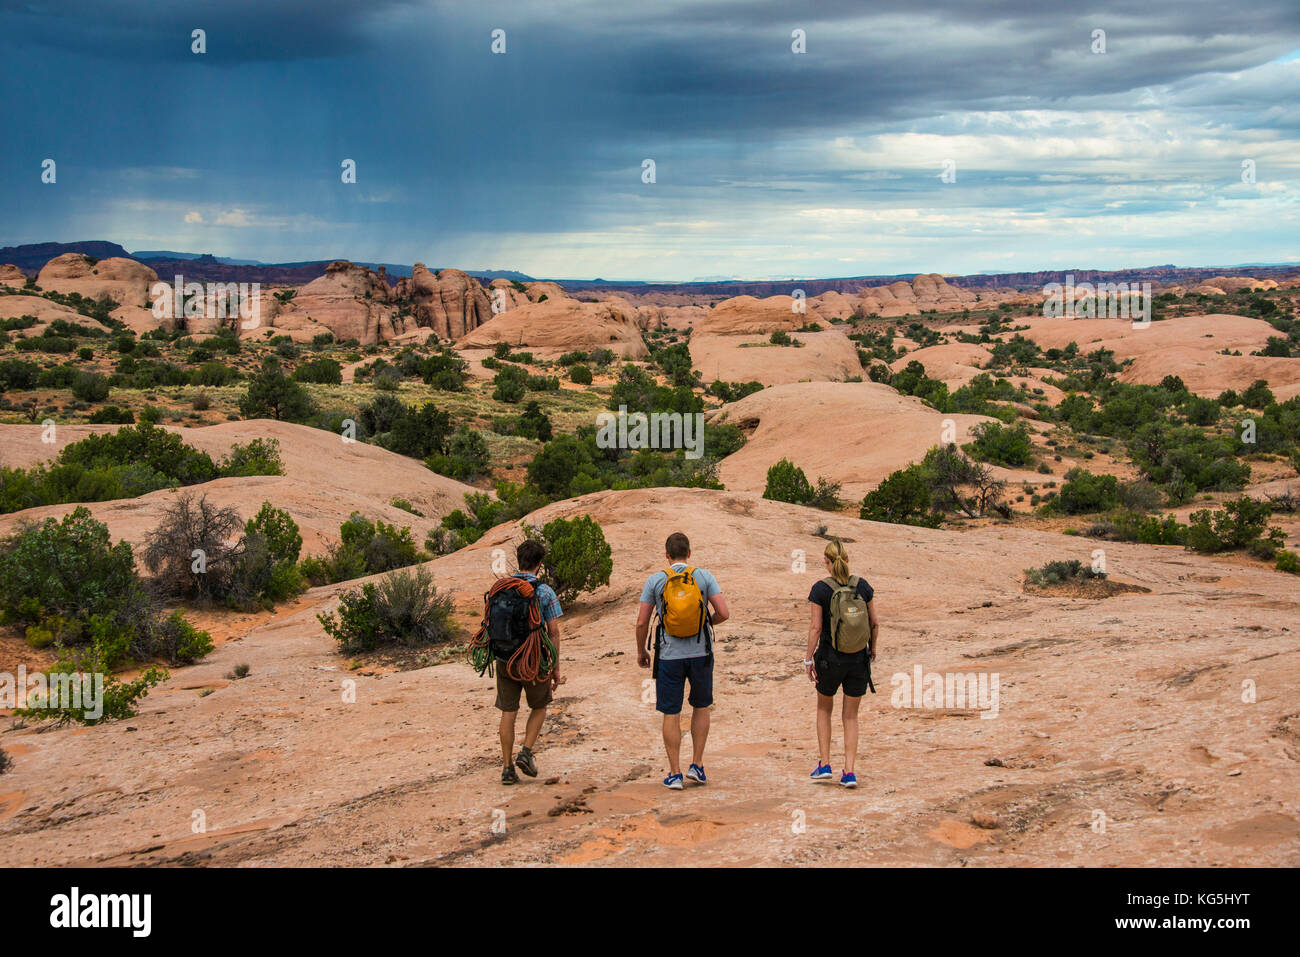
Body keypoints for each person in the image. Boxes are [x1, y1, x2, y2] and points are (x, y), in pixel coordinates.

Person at [636, 532, 729, 790]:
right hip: (700, 653)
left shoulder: (656, 580)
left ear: (666, 555)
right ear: (689, 553)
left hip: (668, 656)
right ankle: (697, 766)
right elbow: (724, 612)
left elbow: (643, 621)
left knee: (671, 712)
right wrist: (707, 622)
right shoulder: (703, 576)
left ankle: (675, 773)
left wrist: (642, 650)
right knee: (701, 707)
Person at [805, 538, 878, 788]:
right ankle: (849, 772)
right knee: (851, 716)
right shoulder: (863, 586)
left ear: (826, 562)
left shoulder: (820, 589)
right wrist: (873, 650)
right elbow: (874, 623)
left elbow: (816, 627)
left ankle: (825, 764)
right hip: (858, 658)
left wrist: (808, 658)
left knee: (824, 709)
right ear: (847, 560)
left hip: (830, 658)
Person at [491, 540, 563, 786]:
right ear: (539, 564)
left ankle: (507, 768)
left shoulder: (501, 588)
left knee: (508, 712)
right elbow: (554, 631)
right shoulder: (544, 592)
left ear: (519, 559)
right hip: (534, 660)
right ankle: (526, 751)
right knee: (540, 706)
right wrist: (555, 666)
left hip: (505, 659)